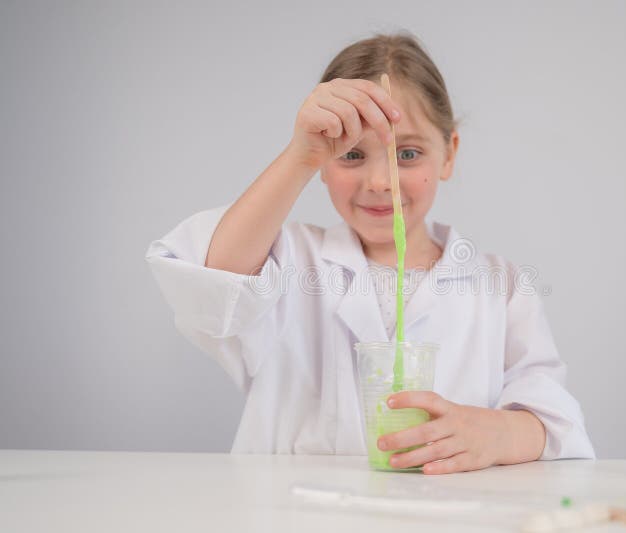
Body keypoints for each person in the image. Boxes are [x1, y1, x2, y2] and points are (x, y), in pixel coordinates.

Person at [145, 32, 595, 474]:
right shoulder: (289, 260)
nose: (381, 181)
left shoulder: (502, 287)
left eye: (409, 153)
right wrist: (300, 154)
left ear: (449, 153)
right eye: (352, 155)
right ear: (322, 162)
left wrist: (496, 433)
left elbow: (554, 422)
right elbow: (213, 280)